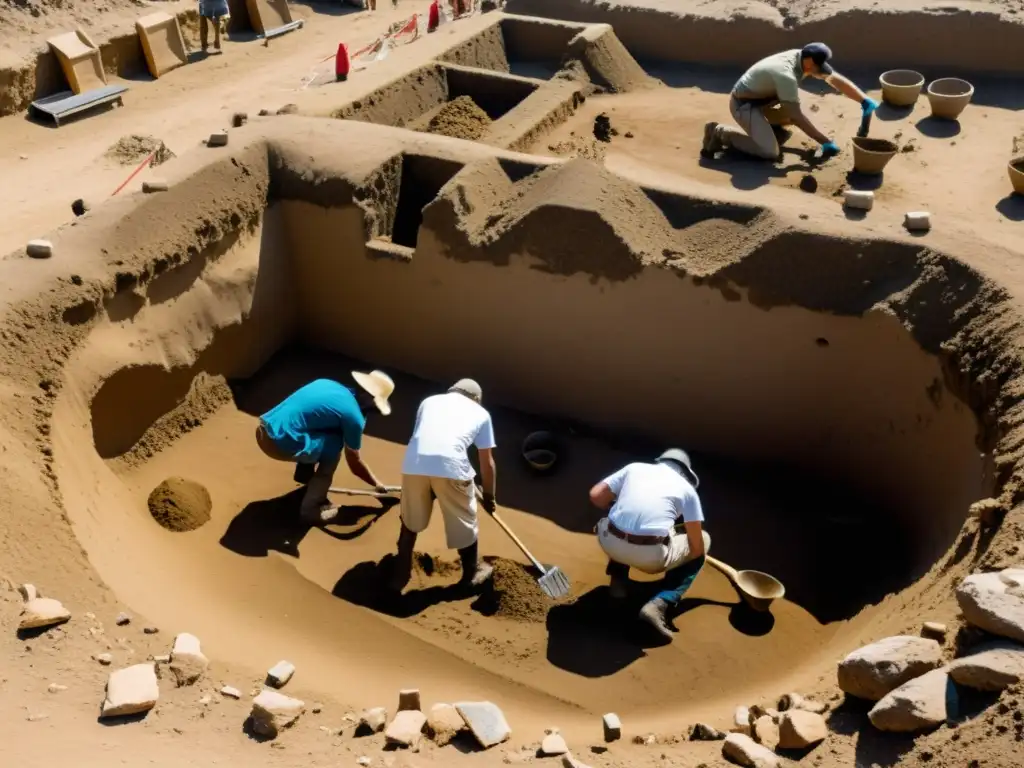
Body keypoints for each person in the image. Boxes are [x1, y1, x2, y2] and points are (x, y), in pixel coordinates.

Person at [588, 448, 710, 641]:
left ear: (660, 462)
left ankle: (618, 584)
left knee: (620, 519)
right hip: (651, 558)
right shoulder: (687, 491)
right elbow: (696, 547)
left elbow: (596, 496)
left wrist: (617, 507)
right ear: (684, 474)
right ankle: (662, 602)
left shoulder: (634, 468)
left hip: (608, 542)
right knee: (703, 540)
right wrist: (693, 553)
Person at [390, 379, 497, 592]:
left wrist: (430, 487)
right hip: (452, 467)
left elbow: (427, 437)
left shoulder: (429, 401)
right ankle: (472, 573)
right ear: (476, 399)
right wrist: (489, 496)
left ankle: (400, 573)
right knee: (464, 521)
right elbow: (488, 462)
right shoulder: (481, 413)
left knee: (411, 518)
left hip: (414, 463)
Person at [255, 371, 395, 524]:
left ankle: (304, 474)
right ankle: (311, 509)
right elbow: (354, 462)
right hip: (278, 445)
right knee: (335, 446)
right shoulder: (353, 417)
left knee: (323, 428)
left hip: (264, 429)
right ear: (370, 397)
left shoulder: (326, 383)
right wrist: (377, 485)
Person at [702, 43, 878, 162]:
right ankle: (720, 132)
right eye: (818, 66)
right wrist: (825, 142)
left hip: (766, 99)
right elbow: (795, 117)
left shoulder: (800, 56)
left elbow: (833, 79)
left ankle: (771, 128)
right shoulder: (785, 75)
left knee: (807, 108)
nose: (820, 70)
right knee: (769, 151)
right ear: (809, 62)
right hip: (744, 105)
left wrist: (863, 100)